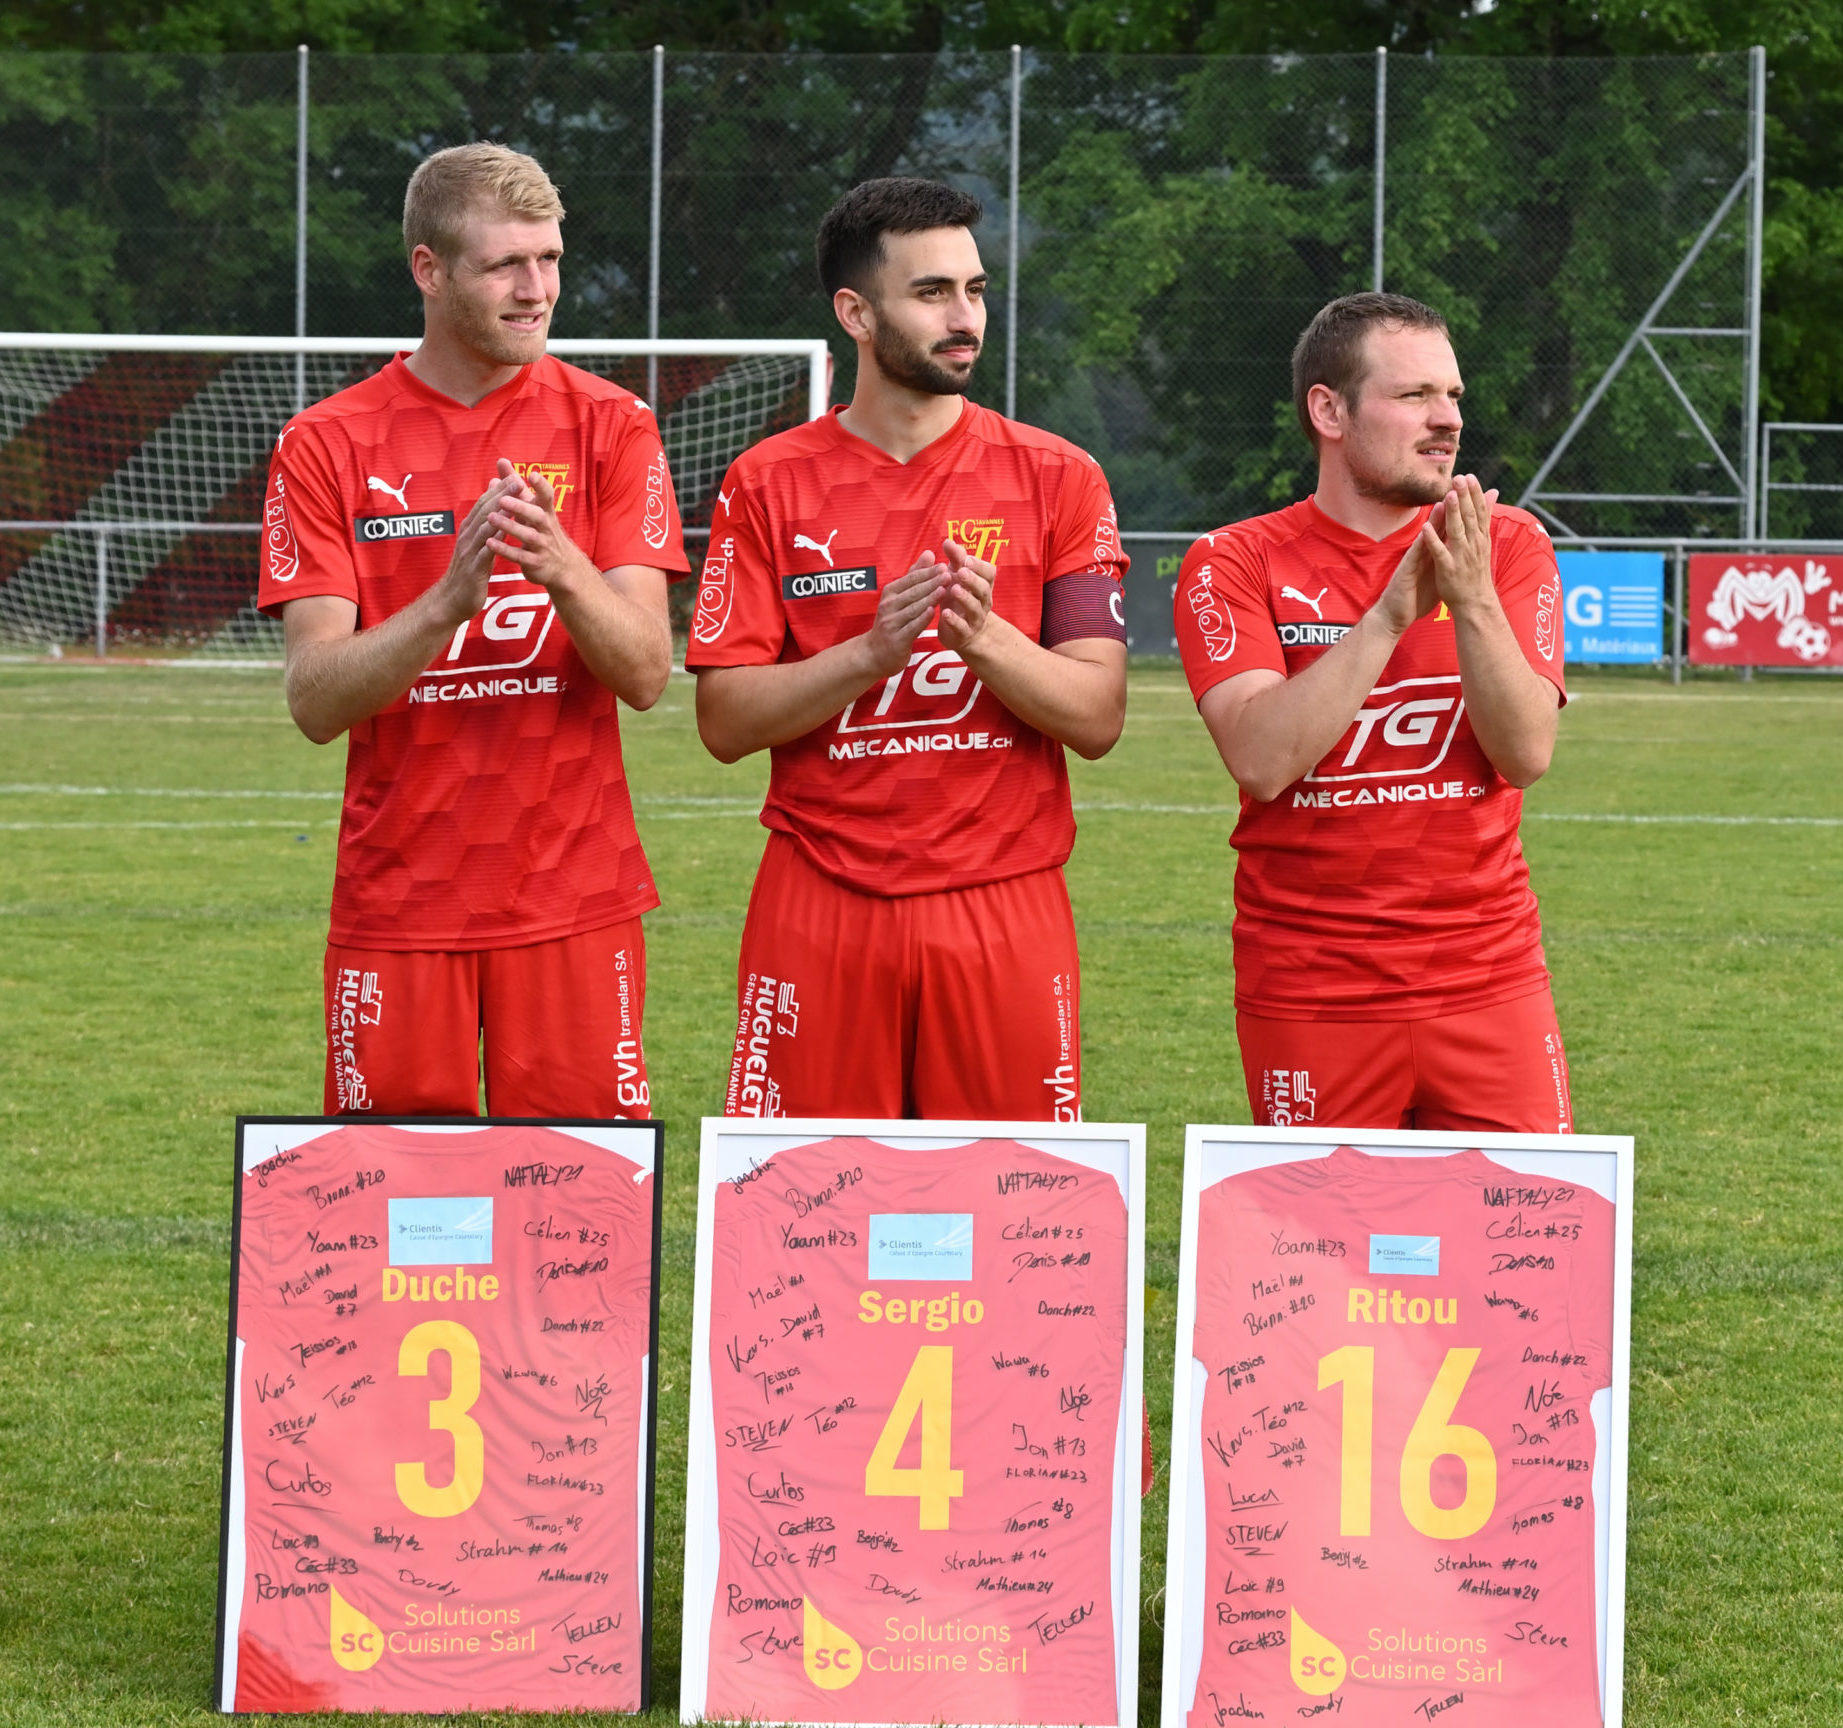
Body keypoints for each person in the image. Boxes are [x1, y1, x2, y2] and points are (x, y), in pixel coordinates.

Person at [258, 142, 689, 1118]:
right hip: (398, 906)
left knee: (581, 1195)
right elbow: (314, 701)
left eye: (550, 260)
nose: (537, 290)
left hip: (574, 900)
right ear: (430, 270)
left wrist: (562, 568)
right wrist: (447, 600)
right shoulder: (326, 442)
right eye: (505, 265)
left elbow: (646, 674)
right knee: (393, 1197)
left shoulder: (613, 425)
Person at [685, 176, 1130, 1122]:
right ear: (856, 313)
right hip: (819, 894)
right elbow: (723, 722)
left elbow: (1097, 717)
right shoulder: (766, 483)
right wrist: (866, 655)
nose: (964, 317)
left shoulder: (1059, 477)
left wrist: (986, 640)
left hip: (1003, 898)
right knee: (802, 1188)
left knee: (1008, 1189)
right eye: (931, 293)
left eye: (974, 290)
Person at [1174, 291, 1571, 1133]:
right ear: (1328, 410)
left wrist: (1471, 600)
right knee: (1323, 1222)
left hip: (1488, 980)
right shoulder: (1234, 560)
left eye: (1452, 395)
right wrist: (1388, 616)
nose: (1446, 418)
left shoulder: (1506, 546)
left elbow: (1525, 753)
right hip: (1311, 991)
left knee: (1516, 1217)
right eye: (1413, 395)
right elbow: (1261, 759)